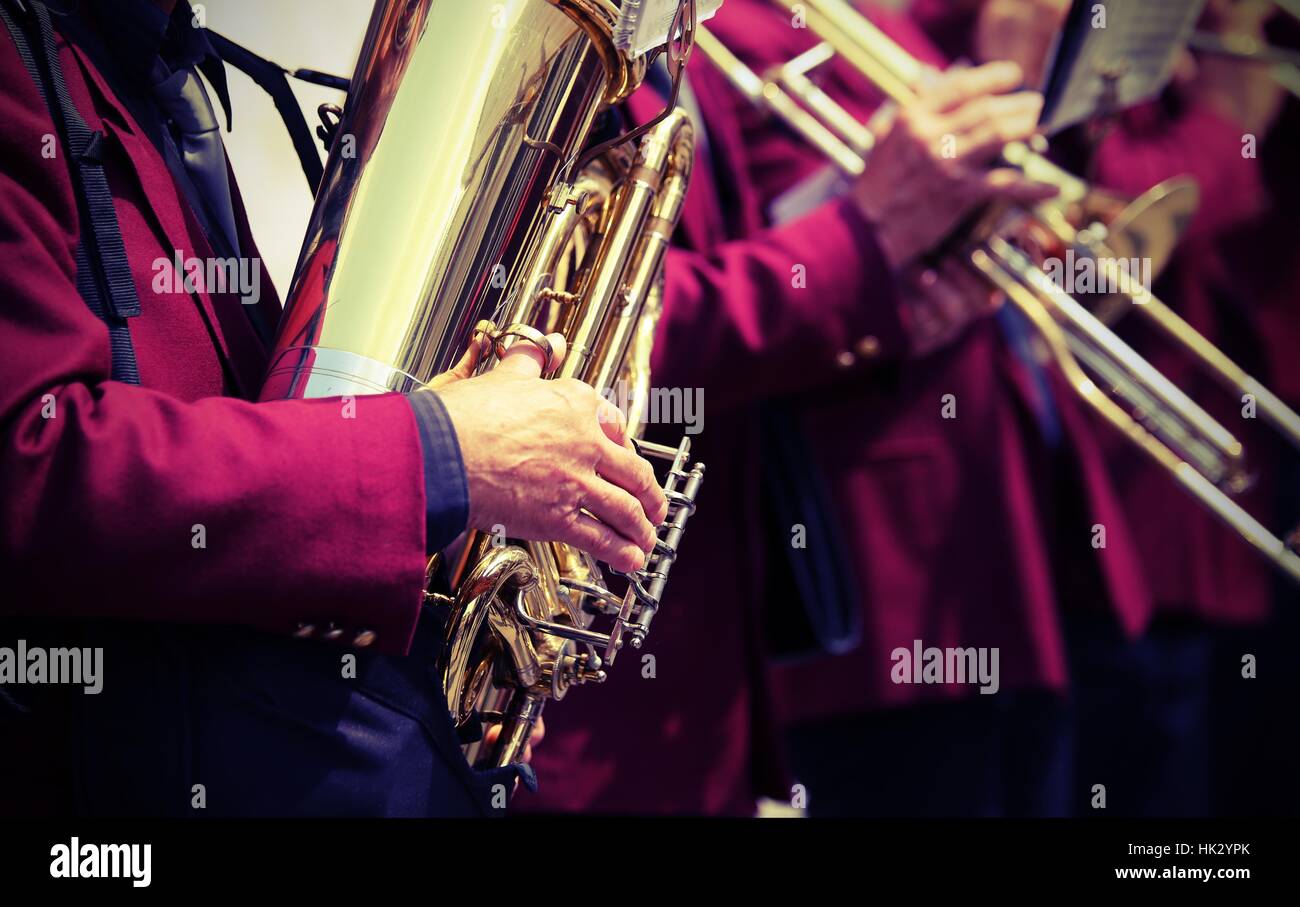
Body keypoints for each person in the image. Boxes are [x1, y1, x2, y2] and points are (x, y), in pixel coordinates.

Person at [0, 0, 665, 816]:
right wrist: (441, 455)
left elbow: (238, 444)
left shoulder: (128, 62)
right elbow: (29, 471)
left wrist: (451, 641)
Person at [517, 0, 1111, 816]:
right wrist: (862, 241)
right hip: (593, 667)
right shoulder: (618, 32)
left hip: (719, 650)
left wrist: (898, 292)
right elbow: (588, 325)